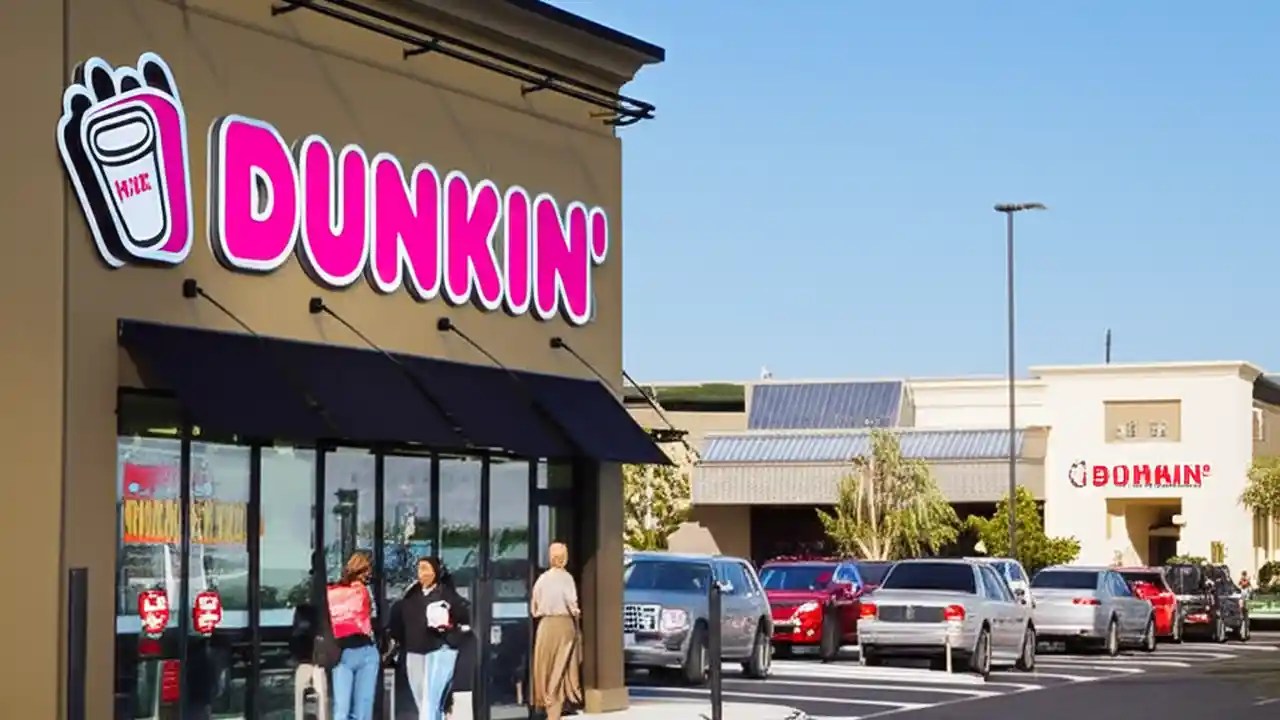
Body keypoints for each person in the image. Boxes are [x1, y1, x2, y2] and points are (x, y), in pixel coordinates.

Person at [391, 556, 470, 720]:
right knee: (423, 702)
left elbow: (463, 615)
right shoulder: (410, 595)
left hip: (440, 649)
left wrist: (448, 619)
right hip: (414, 651)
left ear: (436, 572)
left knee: (430, 701)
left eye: (426, 568)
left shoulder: (447, 595)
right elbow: (398, 622)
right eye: (420, 569)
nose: (423, 573)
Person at [530, 542, 582, 720]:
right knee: (560, 668)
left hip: (544, 626)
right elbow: (572, 604)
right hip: (564, 624)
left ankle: (548, 706)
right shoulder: (567, 579)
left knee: (545, 667)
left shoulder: (542, 579)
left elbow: (534, 608)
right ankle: (553, 706)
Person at [328, 551, 380, 720]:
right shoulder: (364, 592)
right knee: (362, 711)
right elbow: (374, 619)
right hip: (364, 650)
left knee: (341, 710)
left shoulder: (332, 591)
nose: (369, 575)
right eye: (368, 571)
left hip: (342, 650)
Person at [289, 602, 329, 719]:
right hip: (317, 666)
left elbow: (293, 654)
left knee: (299, 705)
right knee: (321, 704)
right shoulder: (318, 633)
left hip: (303, 666)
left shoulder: (296, 635)